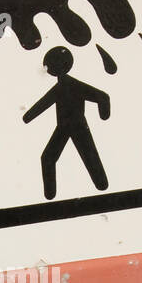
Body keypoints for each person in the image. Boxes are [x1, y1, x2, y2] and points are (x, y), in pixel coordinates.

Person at [23, 46, 110, 200]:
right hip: (64, 127)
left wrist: (104, 114)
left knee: (87, 156)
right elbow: (43, 104)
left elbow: (102, 97)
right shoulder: (61, 87)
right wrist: (27, 117)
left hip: (77, 126)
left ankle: (101, 184)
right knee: (49, 158)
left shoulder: (72, 85)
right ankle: (50, 194)